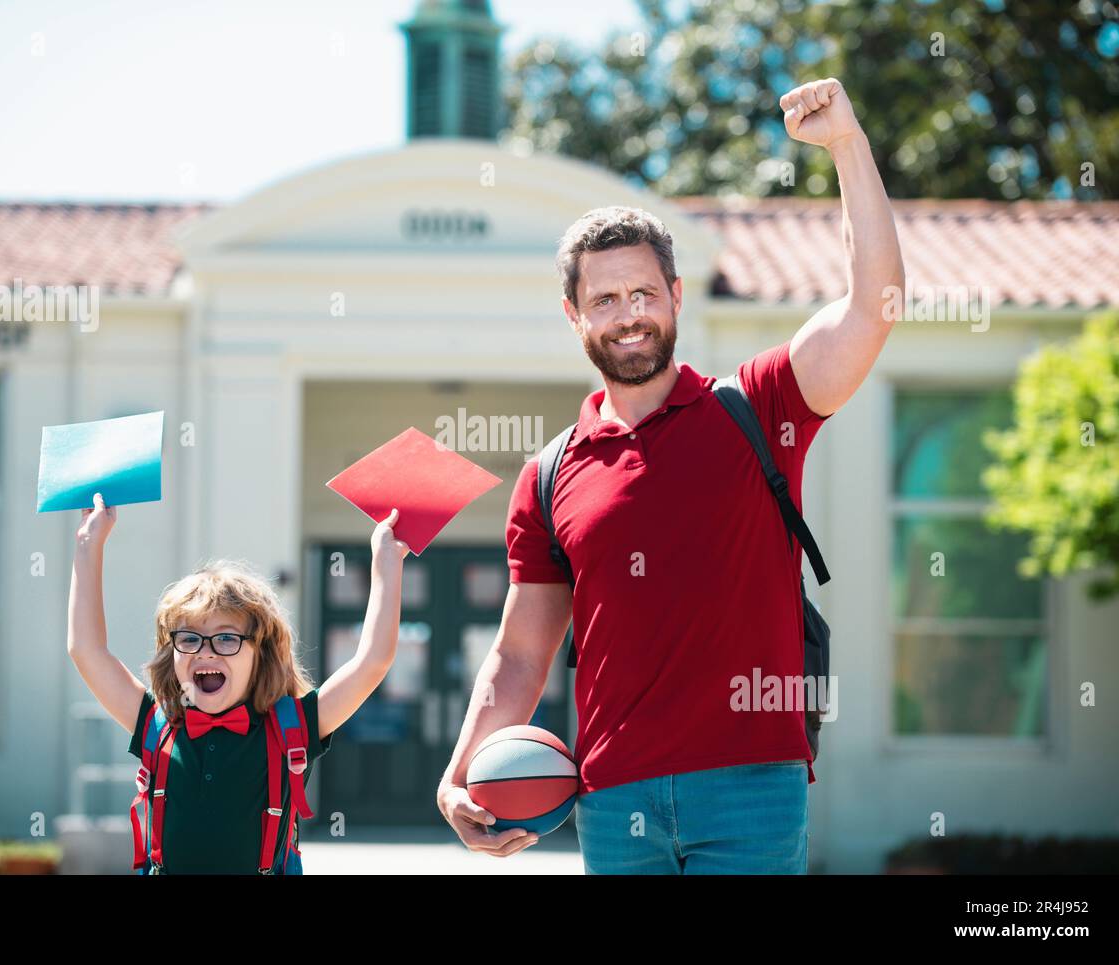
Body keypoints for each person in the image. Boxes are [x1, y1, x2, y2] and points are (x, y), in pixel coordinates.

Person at [437, 78, 904, 873]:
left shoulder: (757, 405)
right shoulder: (549, 473)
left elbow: (874, 305)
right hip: (614, 799)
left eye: (644, 293)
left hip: (753, 788)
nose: (628, 314)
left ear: (677, 297)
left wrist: (847, 147)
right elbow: (519, 653)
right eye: (606, 298)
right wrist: (460, 773)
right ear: (575, 316)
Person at [67, 493, 408, 874]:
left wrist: (386, 562)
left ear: (259, 654)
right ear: (171, 652)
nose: (206, 652)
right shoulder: (154, 724)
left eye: (227, 638)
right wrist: (88, 544)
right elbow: (86, 650)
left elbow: (373, 661)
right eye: (189, 638)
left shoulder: (292, 727)